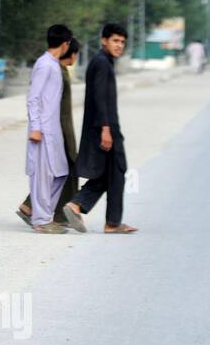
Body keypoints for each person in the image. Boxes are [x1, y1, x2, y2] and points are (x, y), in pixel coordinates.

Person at [63, 23, 138, 234]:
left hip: (104, 125)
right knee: (117, 170)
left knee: (109, 174)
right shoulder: (102, 63)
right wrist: (106, 129)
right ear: (104, 40)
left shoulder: (103, 62)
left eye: (122, 42)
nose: (119, 45)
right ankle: (110, 221)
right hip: (105, 127)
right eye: (115, 40)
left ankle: (79, 207)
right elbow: (99, 98)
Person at [20, 37, 81, 226]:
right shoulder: (50, 67)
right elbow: (34, 99)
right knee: (49, 173)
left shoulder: (57, 69)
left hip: (57, 128)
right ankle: (47, 215)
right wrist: (37, 128)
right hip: (54, 130)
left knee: (60, 172)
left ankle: (38, 210)